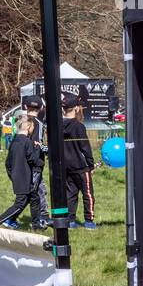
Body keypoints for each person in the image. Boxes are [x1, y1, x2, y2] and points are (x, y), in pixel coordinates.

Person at [0, 116, 43, 230]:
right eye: (32, 127)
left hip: (17, 176)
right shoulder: (27, 142)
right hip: (24, 177)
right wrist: (38, 150)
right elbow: (33, 160)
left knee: (34, 198)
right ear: (27, 126)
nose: (33, 130)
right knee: (20, 204)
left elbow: (8, 163)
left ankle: (36, 226)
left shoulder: (14, 141)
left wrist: (12, 175)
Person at [61, 95, 97, 229]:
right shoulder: (79, 126)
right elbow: (85, 147)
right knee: (88, 194)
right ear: (76, 108)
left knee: (70, 194)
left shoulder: (58, 125)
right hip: (81, 167)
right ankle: (89, 221)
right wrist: (91, 164)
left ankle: (71, 220)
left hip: (66, 166)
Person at [23, 95, 48, 220]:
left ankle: (44, 213)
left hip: (24, 160)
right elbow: (37, 144)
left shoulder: (21, 120)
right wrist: (47, 150)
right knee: (33, 190)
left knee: (40, 188)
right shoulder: (37, 123)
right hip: (35, 162)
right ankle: (13, 215)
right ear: (41, 108)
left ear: (25, 107)